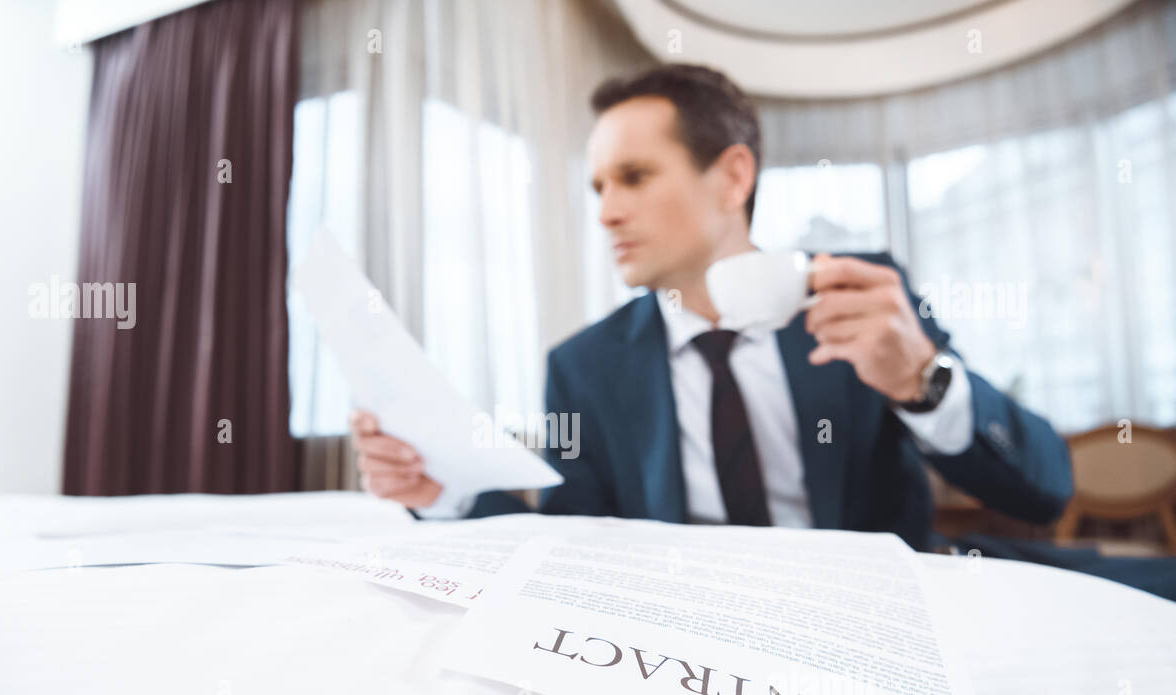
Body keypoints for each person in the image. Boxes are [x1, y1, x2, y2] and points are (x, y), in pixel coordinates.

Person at [351, 62, 1079, 561]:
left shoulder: (863, 298)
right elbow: (566, 543)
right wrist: (440, 493)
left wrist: (923, 379)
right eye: (597, 186)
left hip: (873, 641)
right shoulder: (582, 368)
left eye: (633, 177)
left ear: (732, 176)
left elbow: (1043, 491)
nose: (606, 211)